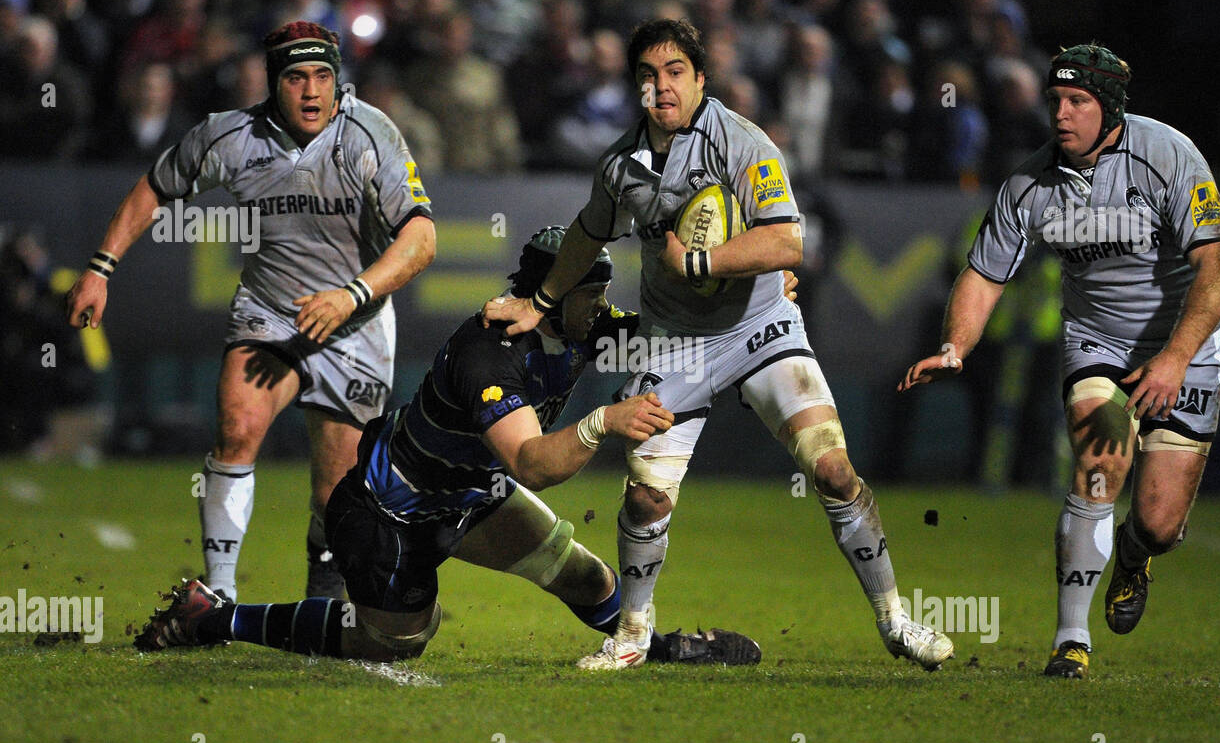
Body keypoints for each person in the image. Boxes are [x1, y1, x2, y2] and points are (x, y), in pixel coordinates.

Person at [483, 19, 954, 672]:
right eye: (648, 75)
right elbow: (589, 236)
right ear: (635, 87)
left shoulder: (742, 142)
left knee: (833, 470)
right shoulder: (622, 166)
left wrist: (702, 264)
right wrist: (537, 304)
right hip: (676, 346)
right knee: (645, 497)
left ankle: (897, 620)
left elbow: (789, 241)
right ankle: (632, 637)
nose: (662, 86)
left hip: (761, 331)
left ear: (701, 79)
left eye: (675, 71)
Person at [135, 228, 763, 667]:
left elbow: (676, 331)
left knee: (587, 577)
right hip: (391, 511)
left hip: (468, 497)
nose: (603, 305)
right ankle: (210, 618)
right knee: (396, 642)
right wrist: (604, 421)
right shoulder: (488, 352)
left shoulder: (581, 323)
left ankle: (656, 649)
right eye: (592, 290)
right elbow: (531, 465)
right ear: (556, 290)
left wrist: (756, 299)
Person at [898, 43, 1220, 678]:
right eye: (1055, 100)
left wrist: (1173, 358)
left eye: (1077, 102)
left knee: (1159, 524)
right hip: (1098, 344)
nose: (1061, 114)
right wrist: (956, 346)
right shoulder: (1029, 182)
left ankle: (1133, 559)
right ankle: (1071, 641)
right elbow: (983, 272)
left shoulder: (1169, 155)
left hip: (1186, 348)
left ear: (1109, 108)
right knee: (1098, 464)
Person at [64, 21, 437, 601]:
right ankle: (217, 596)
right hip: (272, 310)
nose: (312, 92)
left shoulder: (370, 133)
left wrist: (351, 295)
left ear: (339, 82)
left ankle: (324, 592)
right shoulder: (230, 137)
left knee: (335, 491)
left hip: (356, 322)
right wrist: (100, 268)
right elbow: (155, 188)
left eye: (323, 77)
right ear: (273, 83)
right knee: (238, 428)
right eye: (296, 78)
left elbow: (421, 239)